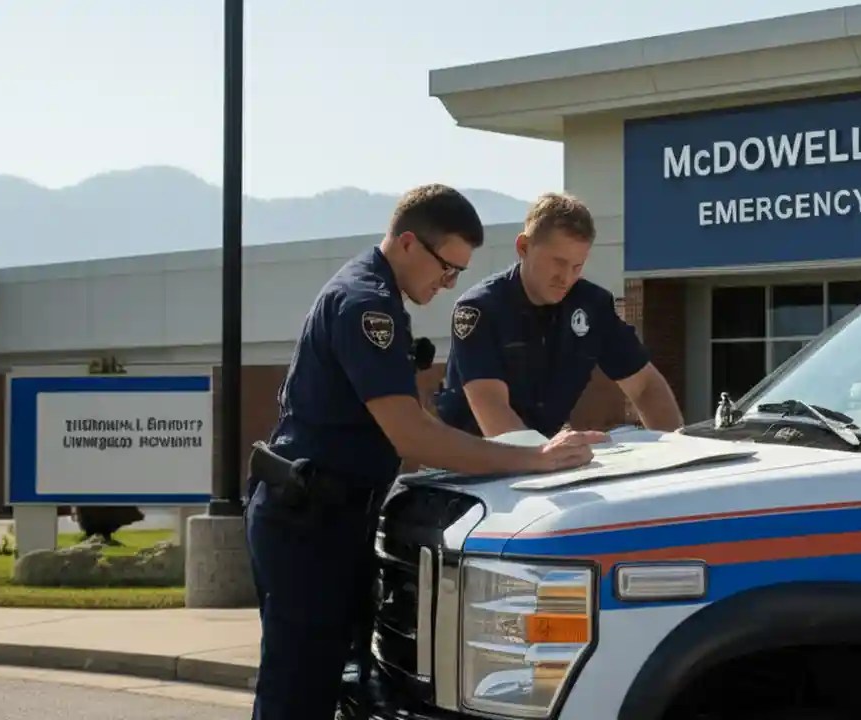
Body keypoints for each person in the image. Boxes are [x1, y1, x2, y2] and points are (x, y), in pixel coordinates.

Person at [244, 183, 606, 720]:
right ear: (410, 243)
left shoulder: (378, 295)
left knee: (338, 689)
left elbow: (410, 424)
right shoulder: (367, 305)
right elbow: (411, 434)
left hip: (331, 517)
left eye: (459, 272)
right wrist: (533, 458)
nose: (449, 282)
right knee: (296, 695)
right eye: (447, 267)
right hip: (310, 525)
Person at [434, 191, 683, 440]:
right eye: (558, 262)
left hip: (542, 454)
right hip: (469, 456)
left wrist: (676, 448)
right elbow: (493, 411)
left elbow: (646, 387)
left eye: (577, 266)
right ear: (524, 247)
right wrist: (547, 455)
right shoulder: (479, 310)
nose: (566, 278)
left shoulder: (593, 307)